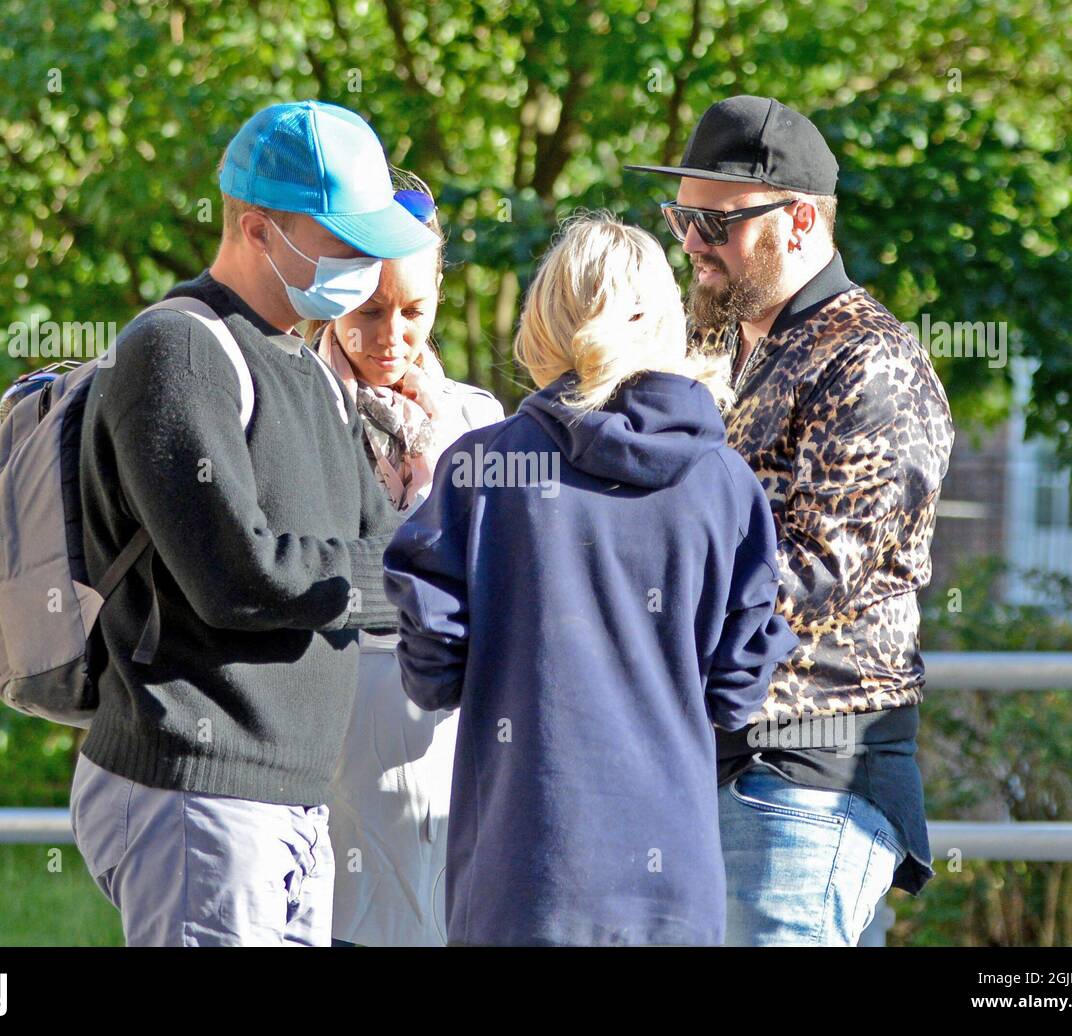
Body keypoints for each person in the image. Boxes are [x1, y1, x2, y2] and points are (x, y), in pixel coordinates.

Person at [68, 100, 438, 947]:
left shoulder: (301, 365)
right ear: (256, 228)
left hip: (288, 798)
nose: (367, 261)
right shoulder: (176, 350)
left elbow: (385, 544)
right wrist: (403, 570)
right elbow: (238, 578)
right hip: (199, 790)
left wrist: (399, 563)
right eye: (343, 237)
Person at [383, 212, 799, 946]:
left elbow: (431, 673)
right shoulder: (727, 484)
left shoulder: (482, 469)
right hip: (673, 892)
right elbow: (737, 694)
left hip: (523, 879)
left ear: (547, 321)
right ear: (665, 323)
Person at [626, 95, 956, 945]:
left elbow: (809, 576)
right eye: (681, 218)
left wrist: (619, 599)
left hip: (808, 776)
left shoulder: (870, 360)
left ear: (801, 220)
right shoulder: (722, 356)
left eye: (716, 223)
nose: (691, 245)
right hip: (714, 768)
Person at [320, 168, 505, 947]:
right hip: (332, 758)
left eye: (414, 311)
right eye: (369, 310)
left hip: (447, 755)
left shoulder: (476, 421)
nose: (391, 335)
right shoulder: (294, 403)